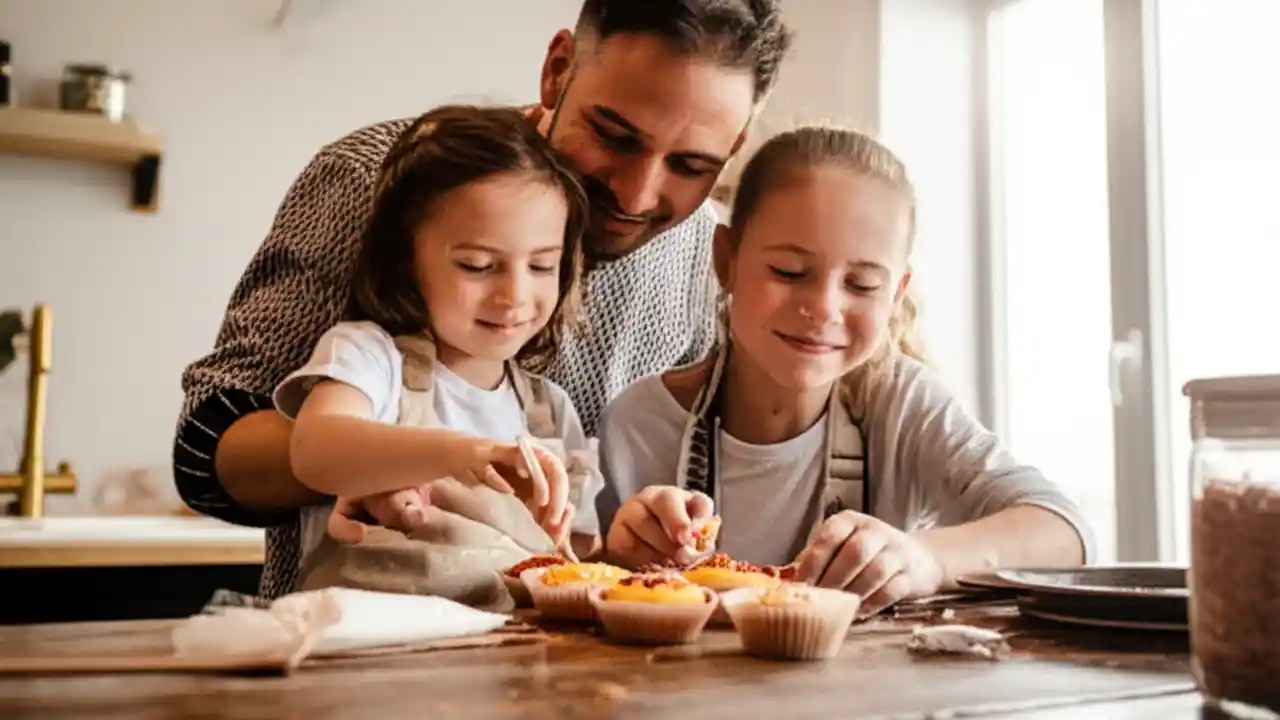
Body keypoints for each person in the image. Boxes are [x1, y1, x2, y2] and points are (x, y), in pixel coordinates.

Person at [173, 0, 793, 598]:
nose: (636, 195)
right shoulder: (383, 181)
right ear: (557, 71)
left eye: (690, 164)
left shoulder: (702, 255)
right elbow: (206, 455)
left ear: (734, 146)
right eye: (613, 134)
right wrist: (403, 461)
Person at [596, 126, 1095, 617]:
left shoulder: (899, 403)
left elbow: (1065, 534)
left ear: (896, 293)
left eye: (861, 284)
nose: (824, 308)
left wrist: (922, 558)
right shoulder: (638, 424)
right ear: (725, 260)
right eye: (789, 273)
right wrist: (621, 559)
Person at [271, 106, 604, 585]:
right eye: (476, 265)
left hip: (509, 655)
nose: (514, 296)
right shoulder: (371, 357)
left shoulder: (550, 411)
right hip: (373, 652)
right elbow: (313, 451)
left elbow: (585, 556)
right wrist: (465, 454)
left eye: (541, 266)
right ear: (406, 261)